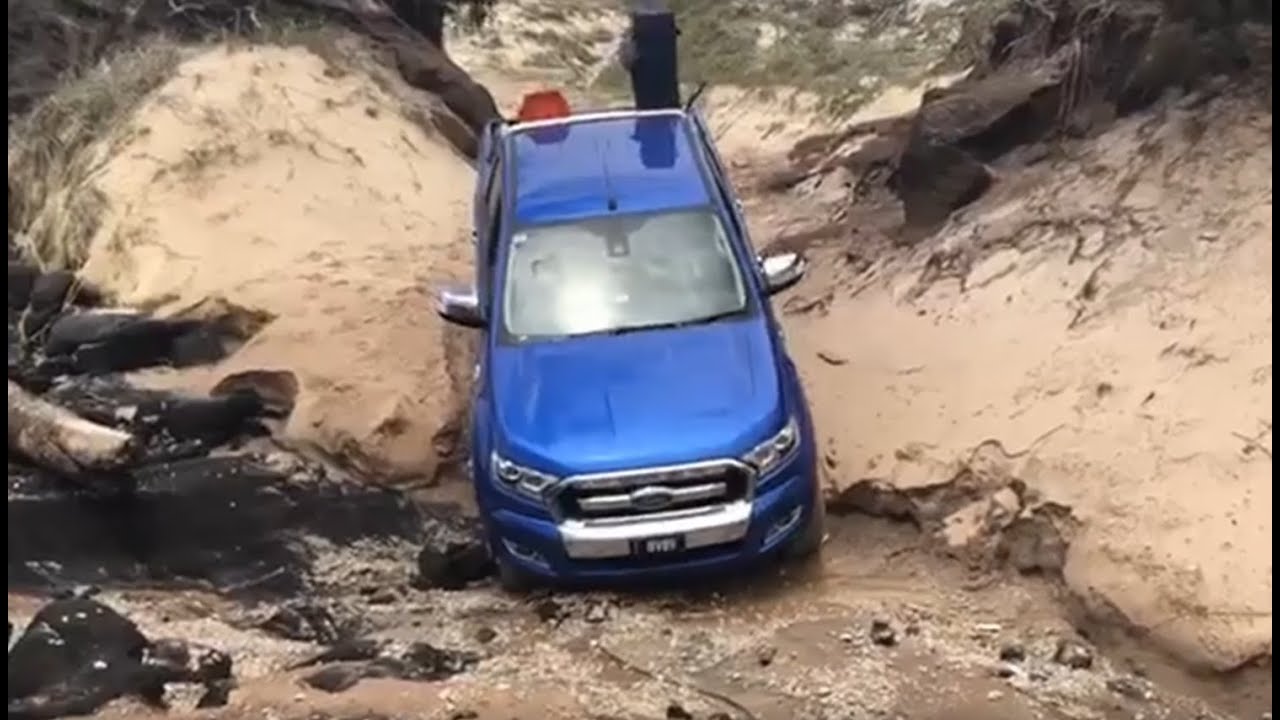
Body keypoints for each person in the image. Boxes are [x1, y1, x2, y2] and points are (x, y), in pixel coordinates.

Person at [620, 0, 681, 110]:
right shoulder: (665, 29)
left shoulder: (640, 31)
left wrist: (628, 40)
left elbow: (627, 61)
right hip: (667, 106)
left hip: (649, 106)